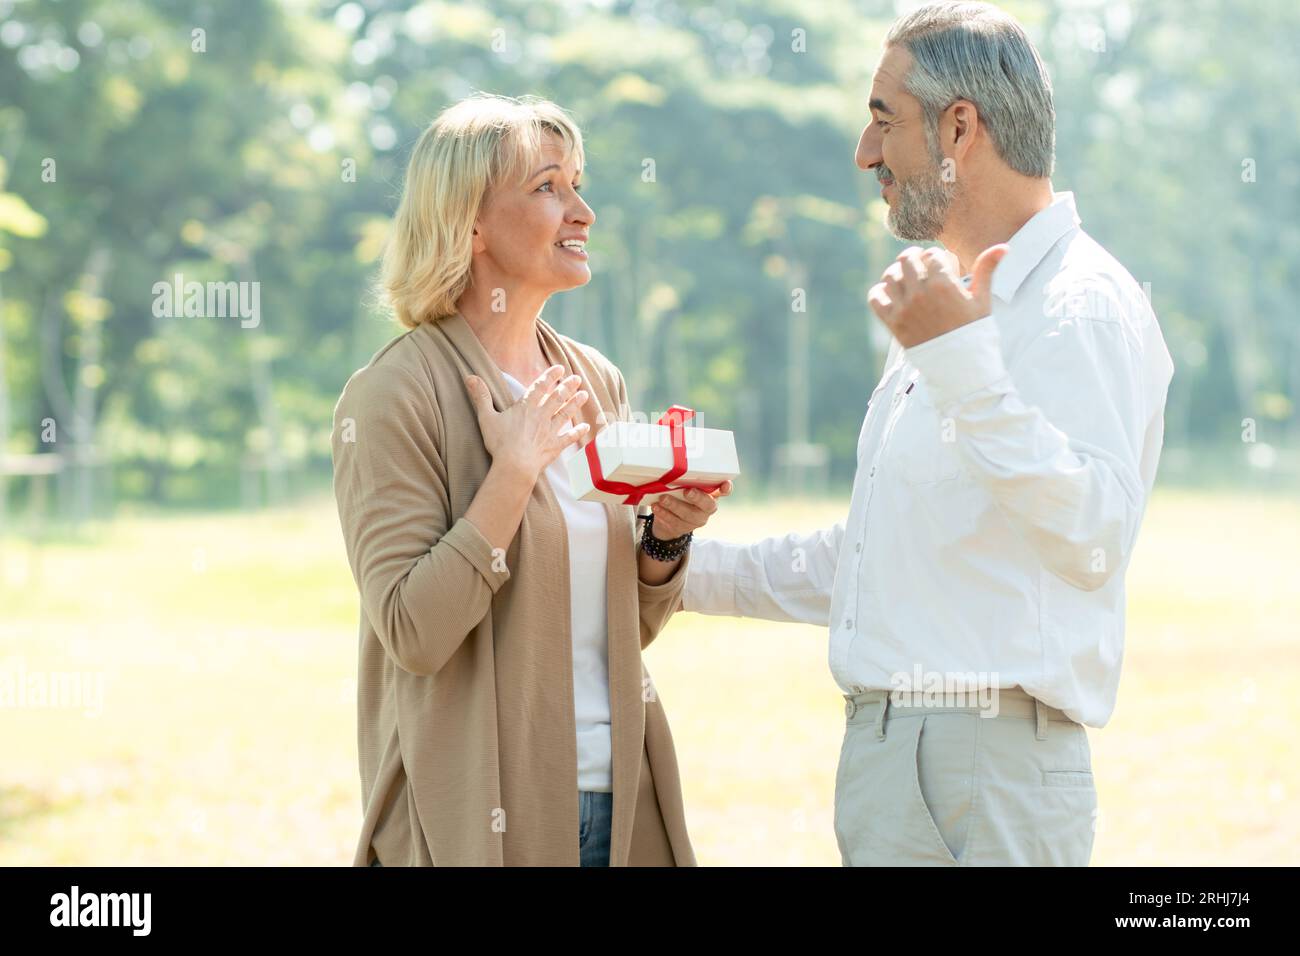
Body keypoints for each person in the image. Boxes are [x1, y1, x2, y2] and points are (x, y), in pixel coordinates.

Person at [682, 0, 1174, 866]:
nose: (864, 152)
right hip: (906, 765)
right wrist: (673, 570)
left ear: (959, 129)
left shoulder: (1078, 305)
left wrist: (958, 356)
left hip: (981, 770)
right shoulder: (947, 313)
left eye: (883, 120)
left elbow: (1094, 535)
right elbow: (882, 558)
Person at [332, 93, 730, 866]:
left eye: (579, 184)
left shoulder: (596, 381)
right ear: (469, 223)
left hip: (621, 803)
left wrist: (665, 540)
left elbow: (624, 626)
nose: (581, 210)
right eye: (549, 187)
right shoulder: (392, 395)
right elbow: (414, 632)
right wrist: (513, 470)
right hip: (484, 814)